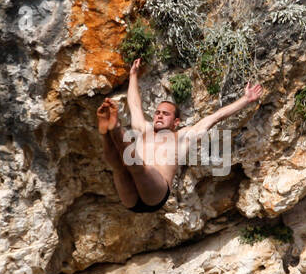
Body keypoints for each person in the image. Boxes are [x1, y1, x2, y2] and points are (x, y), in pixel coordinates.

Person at [97, 59, 264, 213]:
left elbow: (215, 117)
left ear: (176, 122)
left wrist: (246, 99)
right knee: (118, 166)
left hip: (156, 194)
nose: (159, 116)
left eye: (165, 114)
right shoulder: (144, 129)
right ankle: (107, 132)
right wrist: (133, 75)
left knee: (138, 166)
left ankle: (116, 128)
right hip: (131, 199)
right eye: (157, 113)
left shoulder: (182, 137)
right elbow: (134, 105)